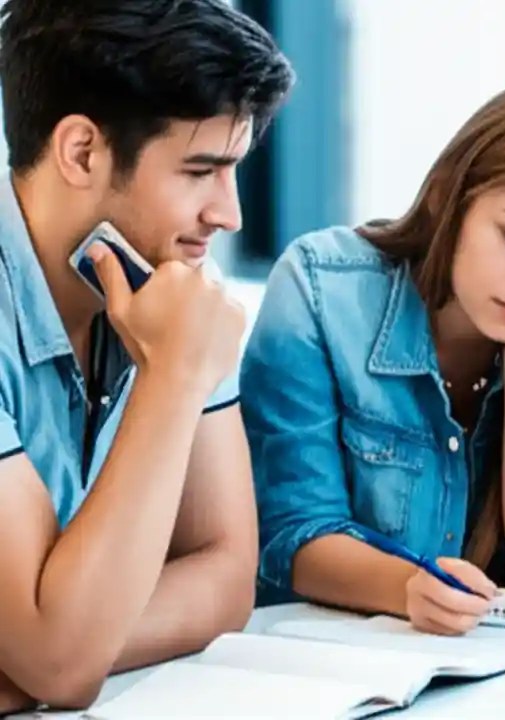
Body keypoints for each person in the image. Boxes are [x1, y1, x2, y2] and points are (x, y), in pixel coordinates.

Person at [241, 79, 505, 636]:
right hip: (324, 667)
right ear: (448, 197)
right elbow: (292, 533)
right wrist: (407, 588)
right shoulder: (322, 288)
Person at [0, 0, 293, 711]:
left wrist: (53, 646)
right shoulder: (182, 320)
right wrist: (173, 378)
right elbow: (61, 669)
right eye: (201, 171)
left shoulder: (173, 284)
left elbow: (225, 577)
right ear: (81, 152)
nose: (231, 215)